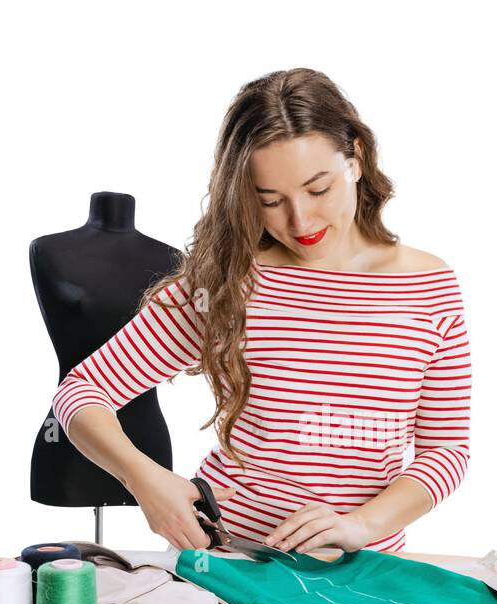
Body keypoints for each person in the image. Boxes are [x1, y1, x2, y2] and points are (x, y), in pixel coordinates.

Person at [53, 67, 471, 556]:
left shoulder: (428, 286)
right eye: (270, 200)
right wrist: (147, 481)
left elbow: (447, 451)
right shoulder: (230, 281)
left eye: (318, 190)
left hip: (365, 570)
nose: (300, 221)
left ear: (356, 158)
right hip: (227, 558)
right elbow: (82, 391)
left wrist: (361, 524)